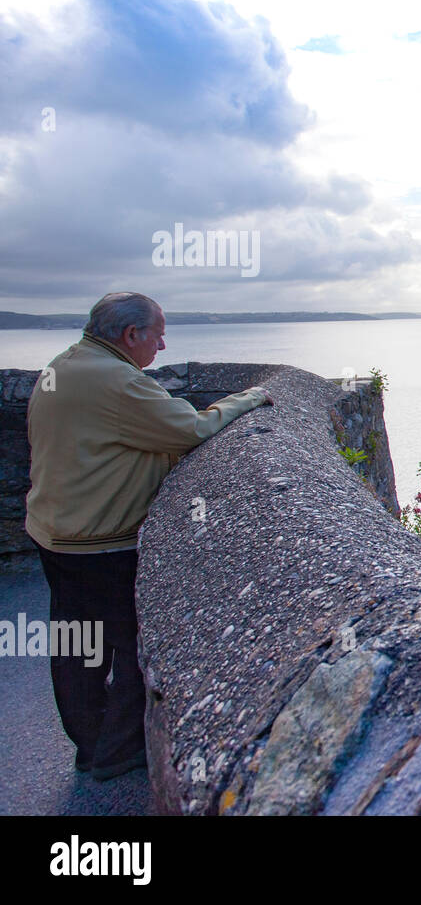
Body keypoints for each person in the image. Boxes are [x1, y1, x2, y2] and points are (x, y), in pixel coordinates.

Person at [25, 293, 272, 781]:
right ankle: (116, 752)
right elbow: (191, 428)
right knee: (142, 645)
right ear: (130, 334)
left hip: (53, 530)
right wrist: (249, 397)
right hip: (100, 541)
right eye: (157, 333)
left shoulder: (66, 364)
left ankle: (89, 745)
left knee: (77, 645)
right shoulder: (115, 380)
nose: (163, 344)